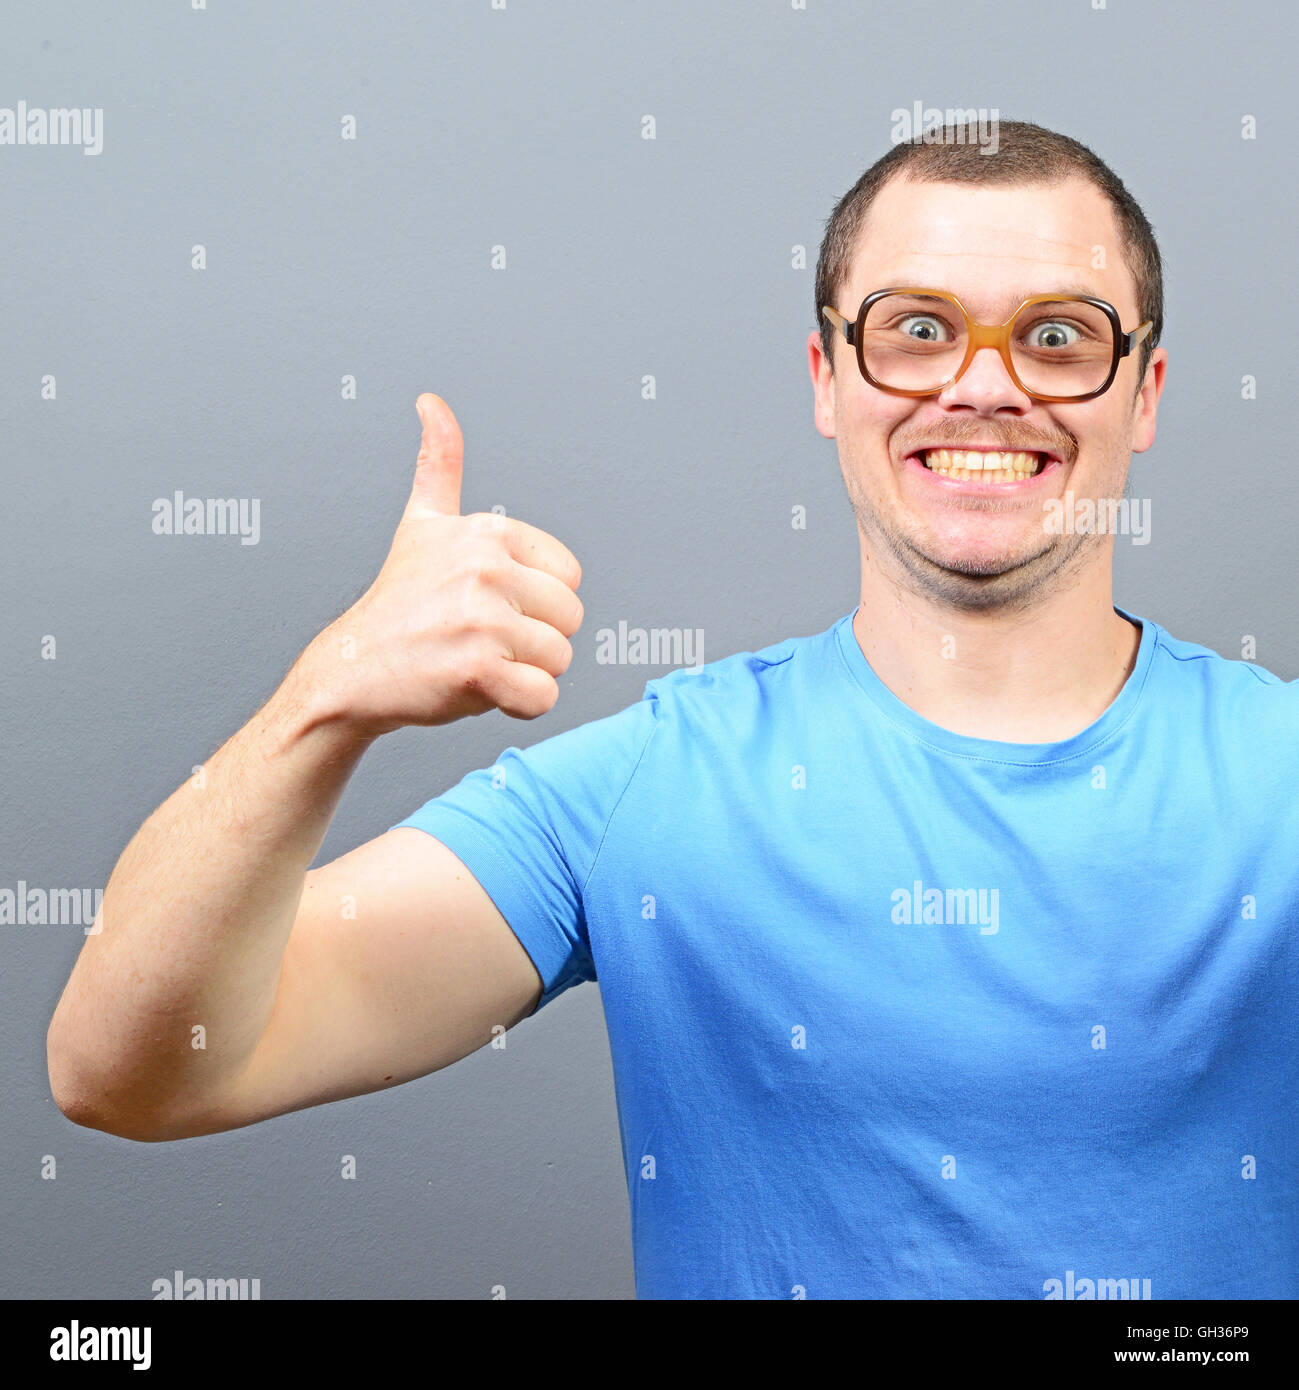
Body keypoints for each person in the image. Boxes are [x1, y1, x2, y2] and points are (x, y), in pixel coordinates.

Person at [47, 120, 1295, 1300]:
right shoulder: (648, 789)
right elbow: (131, 1071)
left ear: (1145, 390)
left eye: (1060, 337)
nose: (981, 386)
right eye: (916, 328)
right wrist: (326, 702)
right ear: (827, 376)